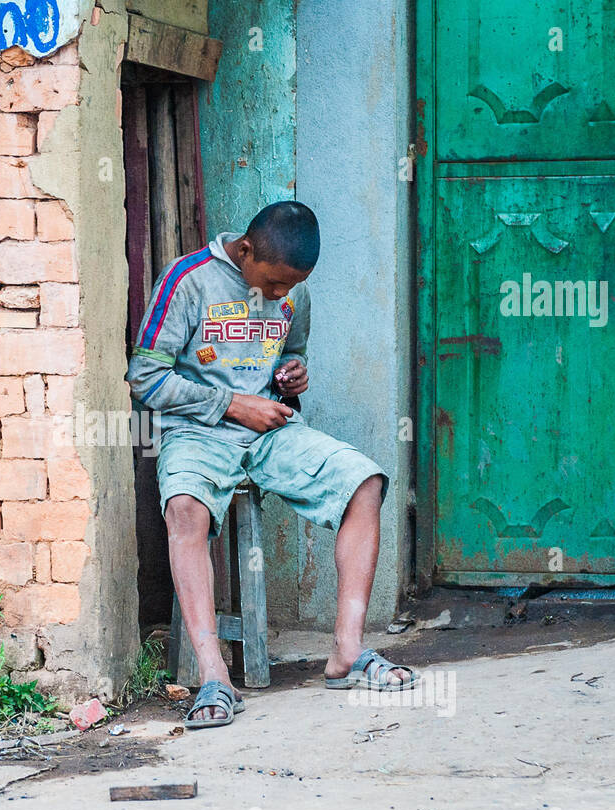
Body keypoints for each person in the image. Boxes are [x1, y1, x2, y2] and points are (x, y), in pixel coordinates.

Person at [126, 201, 418, 728]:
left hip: (271, 430)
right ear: (244, 251)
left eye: (292, 286)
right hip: (197, 433)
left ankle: (348, 653)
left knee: (365, 481)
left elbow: (292, 351)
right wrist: (233, 404)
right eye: (274, 283)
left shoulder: (294, 290)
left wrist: (291, 375)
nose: (282, 295)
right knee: (186, 509)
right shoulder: (186, 281)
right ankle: (215, 676)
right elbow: (145, 378)